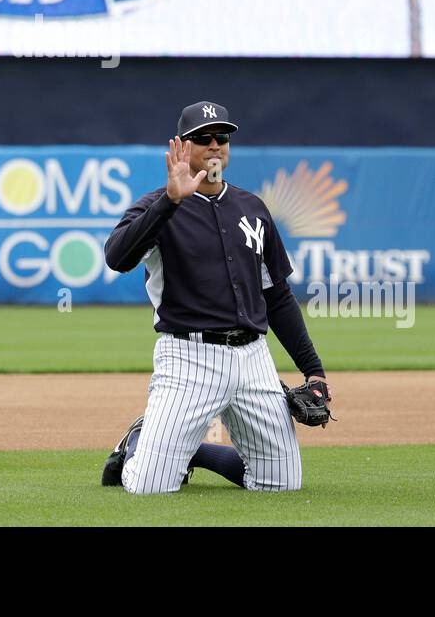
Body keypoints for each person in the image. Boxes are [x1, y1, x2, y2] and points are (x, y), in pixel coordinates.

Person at [100, 100, 331, 493]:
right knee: (148, 487)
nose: (214, 146)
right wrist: (168, 203)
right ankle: (139, 443)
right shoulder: (158, 205)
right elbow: (116, 257)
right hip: (189, 358)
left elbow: (276, 295)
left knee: (281, 485)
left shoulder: (252, 208)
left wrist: (314, 370)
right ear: (182, 146)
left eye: (221, 138)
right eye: (202, 138)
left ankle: (195, 453)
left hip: (253, 358)